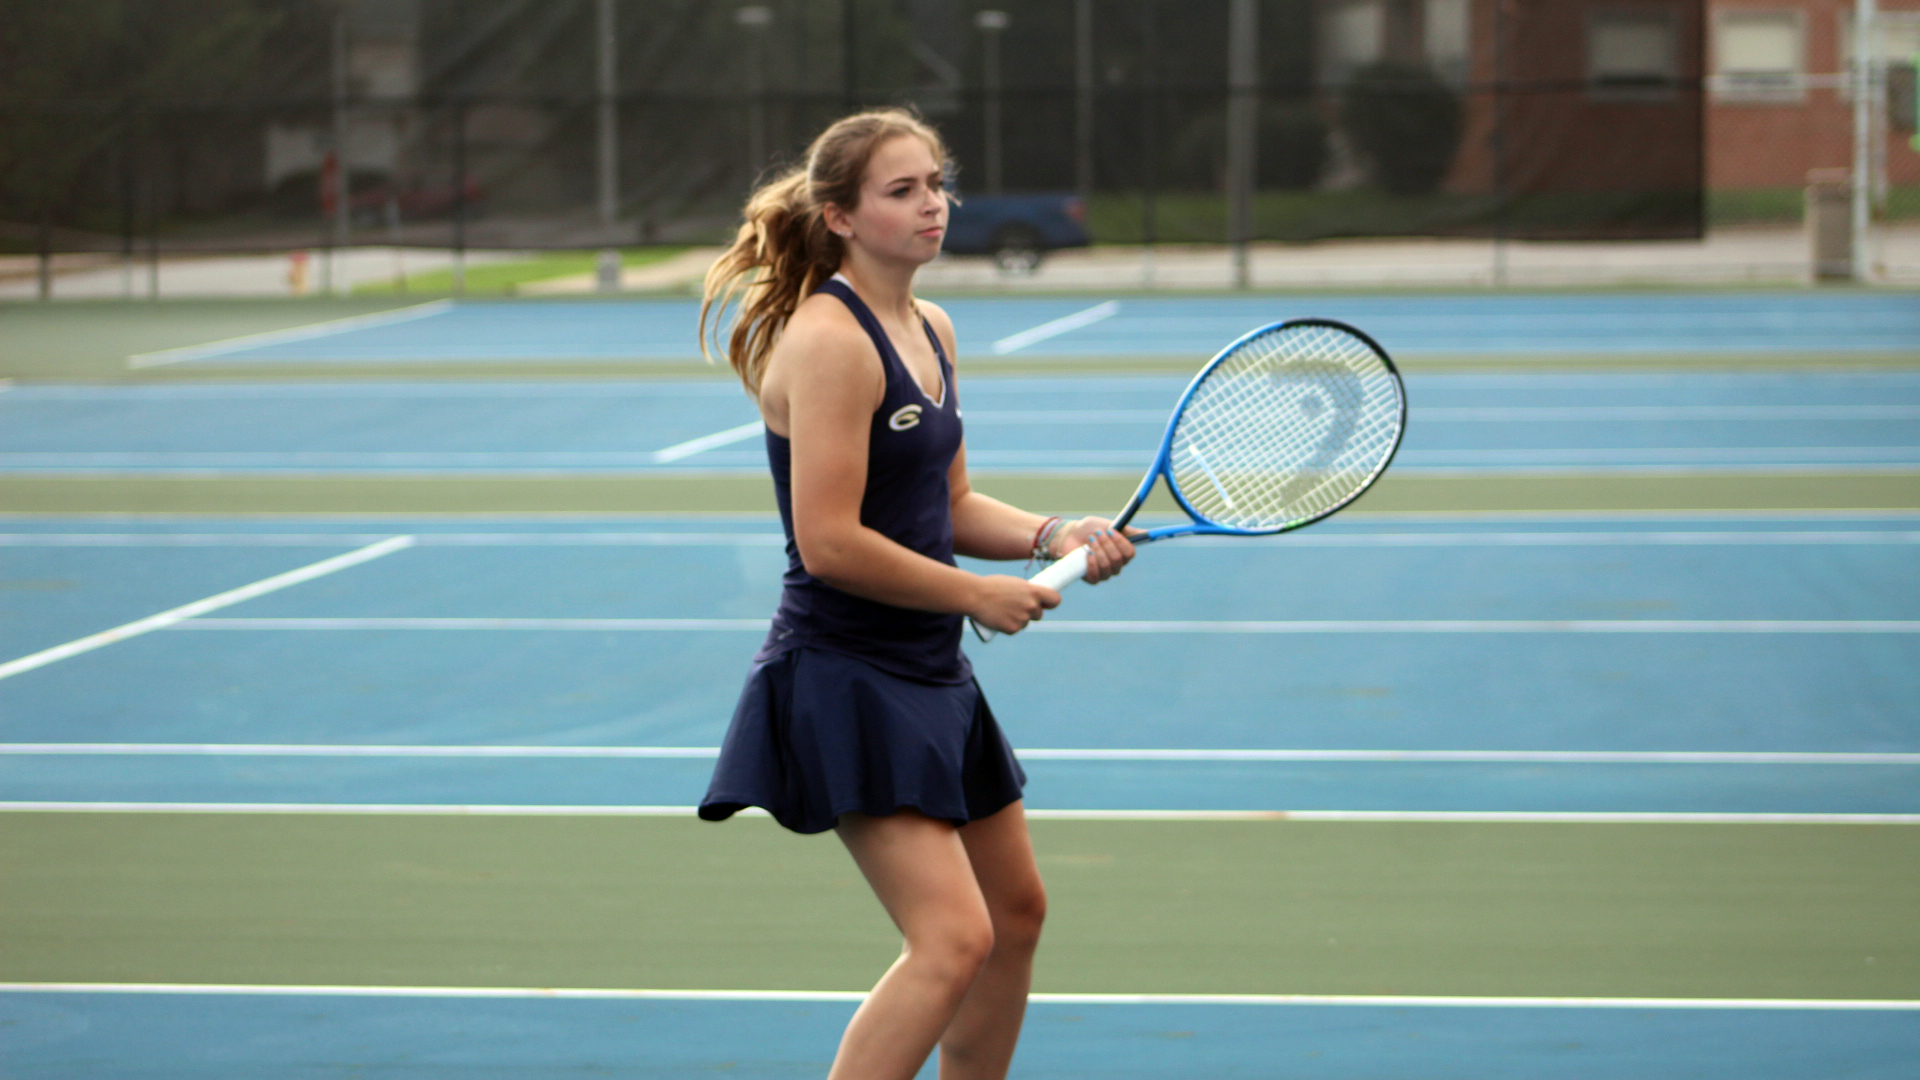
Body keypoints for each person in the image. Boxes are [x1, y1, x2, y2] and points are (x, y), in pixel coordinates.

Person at [695, 108, 1138, 1080]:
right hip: (846, 673)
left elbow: (950, 501)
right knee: (950, 941)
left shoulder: (929, 325)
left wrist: (1050, 533)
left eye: (937, 183)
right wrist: (977, 595)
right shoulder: (826, 342)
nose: (933, 204)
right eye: (903, 190)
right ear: (841, 215)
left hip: (928, 668)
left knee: (1015, 916)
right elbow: (830, 543)